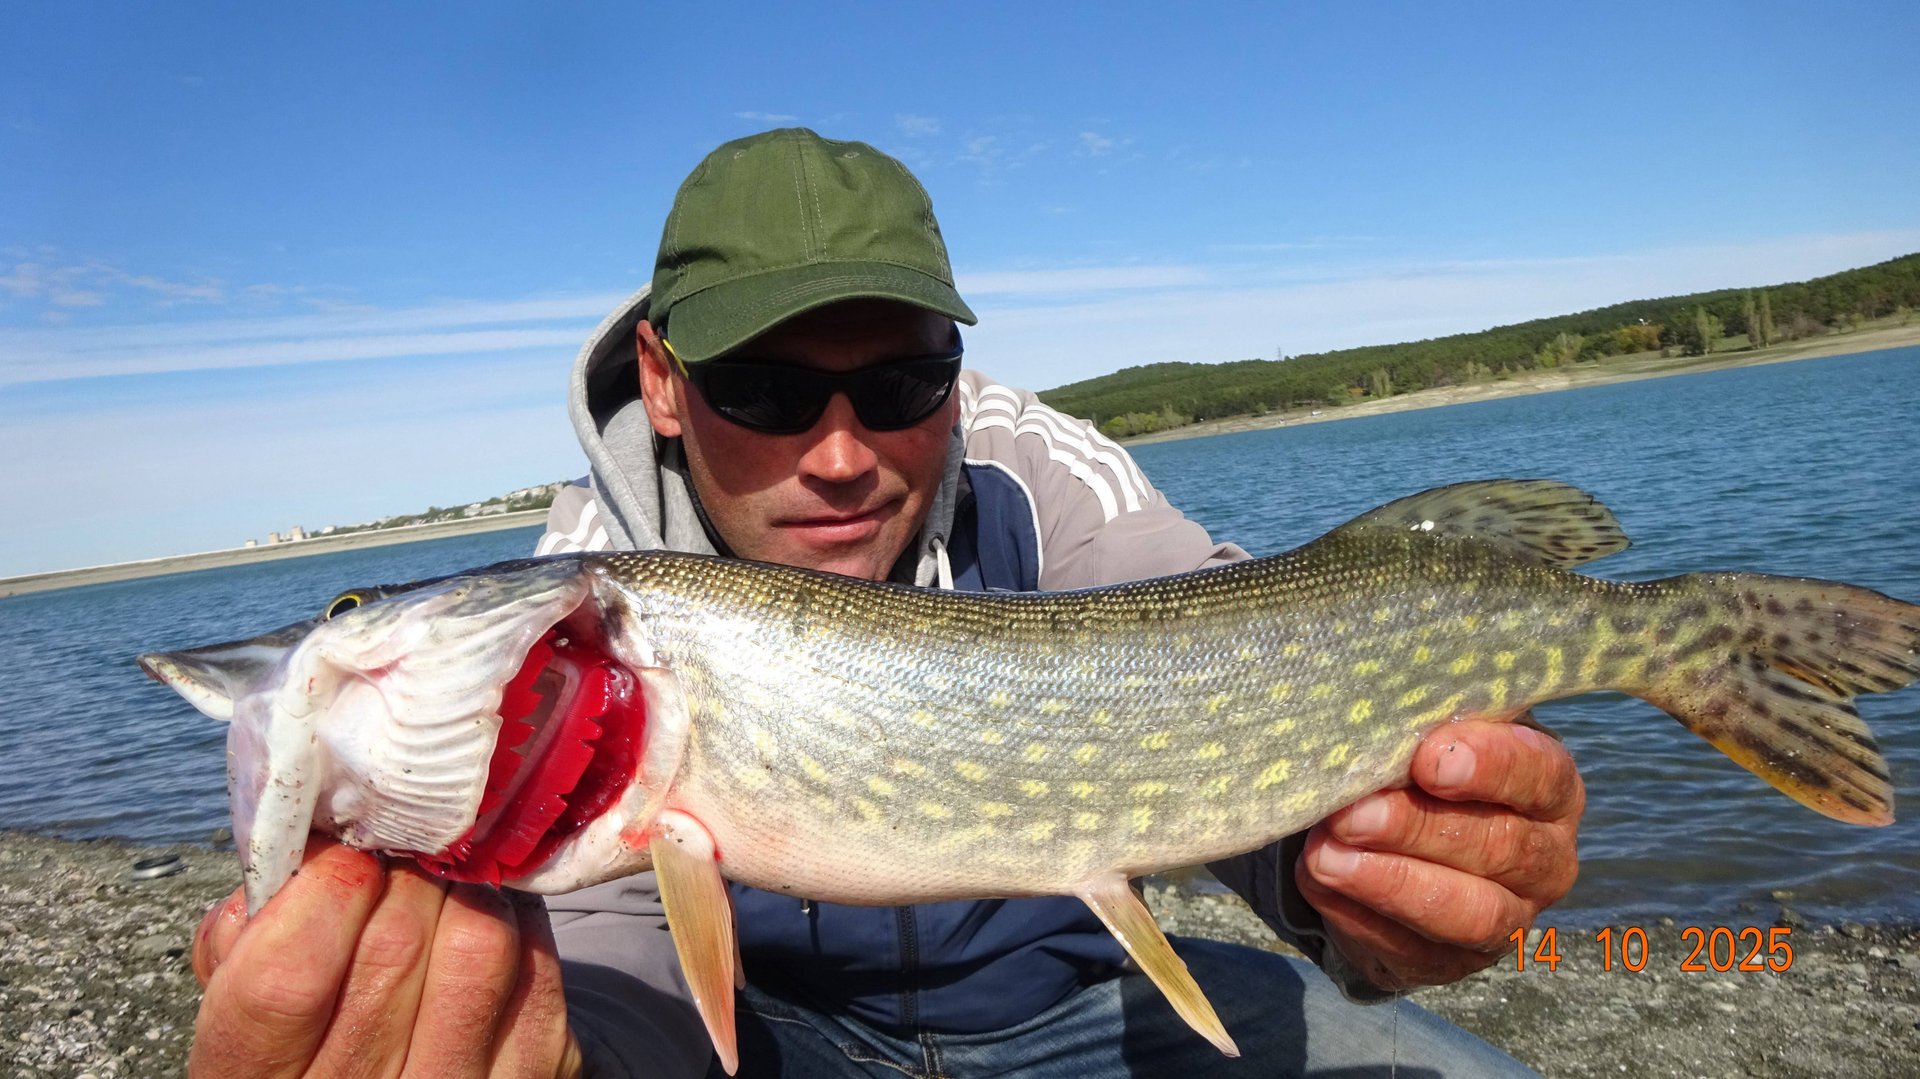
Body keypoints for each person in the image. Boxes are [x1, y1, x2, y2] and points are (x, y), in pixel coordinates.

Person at [189, 128, 1584, 1078]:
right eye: (769, 394)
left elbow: (1221, 652)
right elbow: (614, 955)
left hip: (1077, 1006)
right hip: (782, 1042)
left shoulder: (1048, 481)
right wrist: (557, 1045)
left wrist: (1356, 886)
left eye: (905, 382)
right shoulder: (575, 613)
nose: (845, 453)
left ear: (957, 368)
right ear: (665, 384)